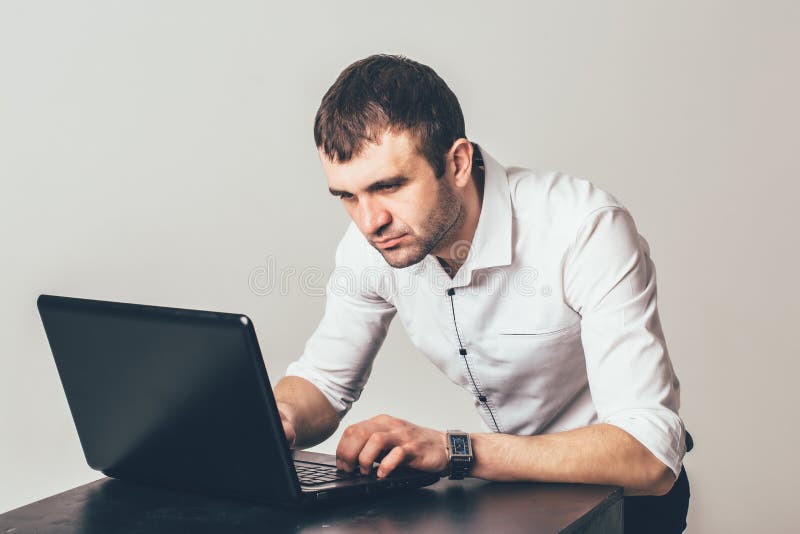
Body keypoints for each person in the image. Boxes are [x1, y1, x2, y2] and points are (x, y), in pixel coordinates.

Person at [273, 54, 690, 533]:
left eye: (388, 186)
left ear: (457, 163)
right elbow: (324, 382)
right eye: (347, 196)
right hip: (512, 493)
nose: (370, 222)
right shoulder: (373, 243)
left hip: (624, 499)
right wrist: (277, 418)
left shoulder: (583, 227)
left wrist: (455, 451)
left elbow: (651, 455)